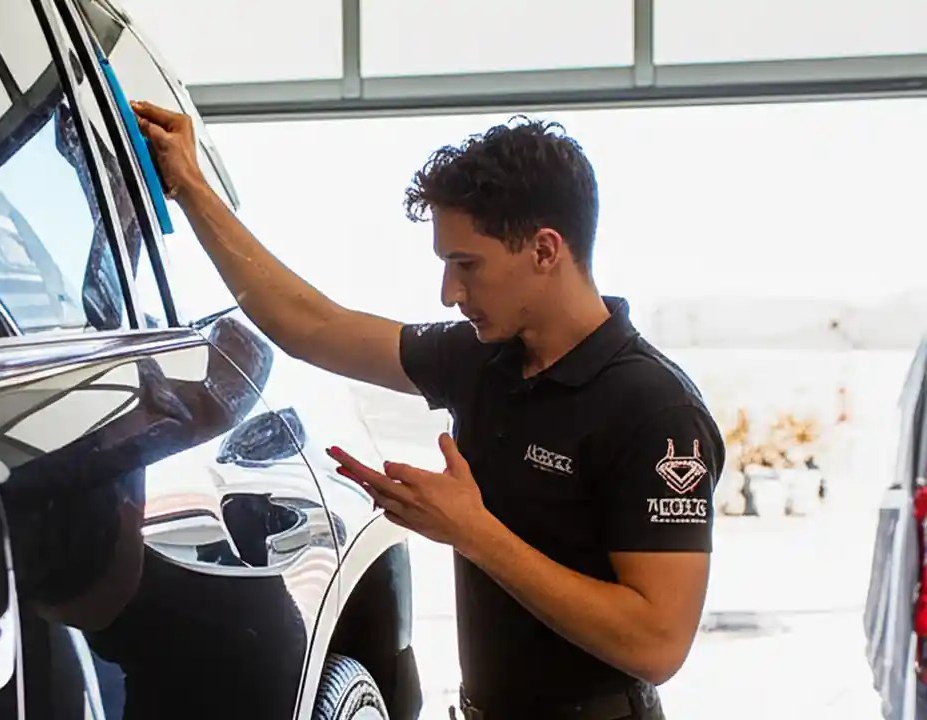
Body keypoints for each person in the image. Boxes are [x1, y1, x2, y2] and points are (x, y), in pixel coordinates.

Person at [132, 100, 723, 720]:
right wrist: (191, 188)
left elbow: (657, 644)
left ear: (546, 251)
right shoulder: (482, 358)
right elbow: (311, 324)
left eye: (467, 265)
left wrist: (474, 533)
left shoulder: (653, 409)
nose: (449, 293)